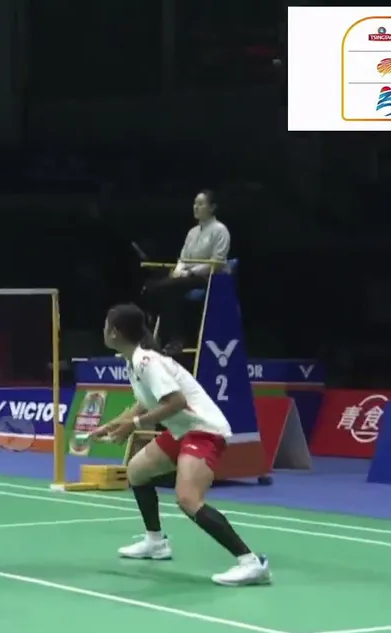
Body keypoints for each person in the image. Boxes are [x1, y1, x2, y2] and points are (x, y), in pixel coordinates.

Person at [92, 303, 269, 587]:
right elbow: (144, 403)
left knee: (188, 499)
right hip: (182, 431)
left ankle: (251, 563)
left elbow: (176, 402)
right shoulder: (133, 362)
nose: (103, 330)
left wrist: (133, 425)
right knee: (136, 471)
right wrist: (113, 424)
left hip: (204, 431)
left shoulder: (146, 362)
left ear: (115, 332)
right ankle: (155, 542)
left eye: (106, 325)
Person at [141, 190, 231, 353]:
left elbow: (217, 262)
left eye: (200, 204)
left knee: (165, 287)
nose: (196, 207)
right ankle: (167, 338)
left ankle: (174, 339)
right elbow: (183, 258)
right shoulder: (192, 232)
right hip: (185, 278)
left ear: (212, 207)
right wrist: (178, 270)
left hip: (207, 278)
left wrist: (190, 273)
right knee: (151, 286)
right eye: (195, 203)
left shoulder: (220, 230)